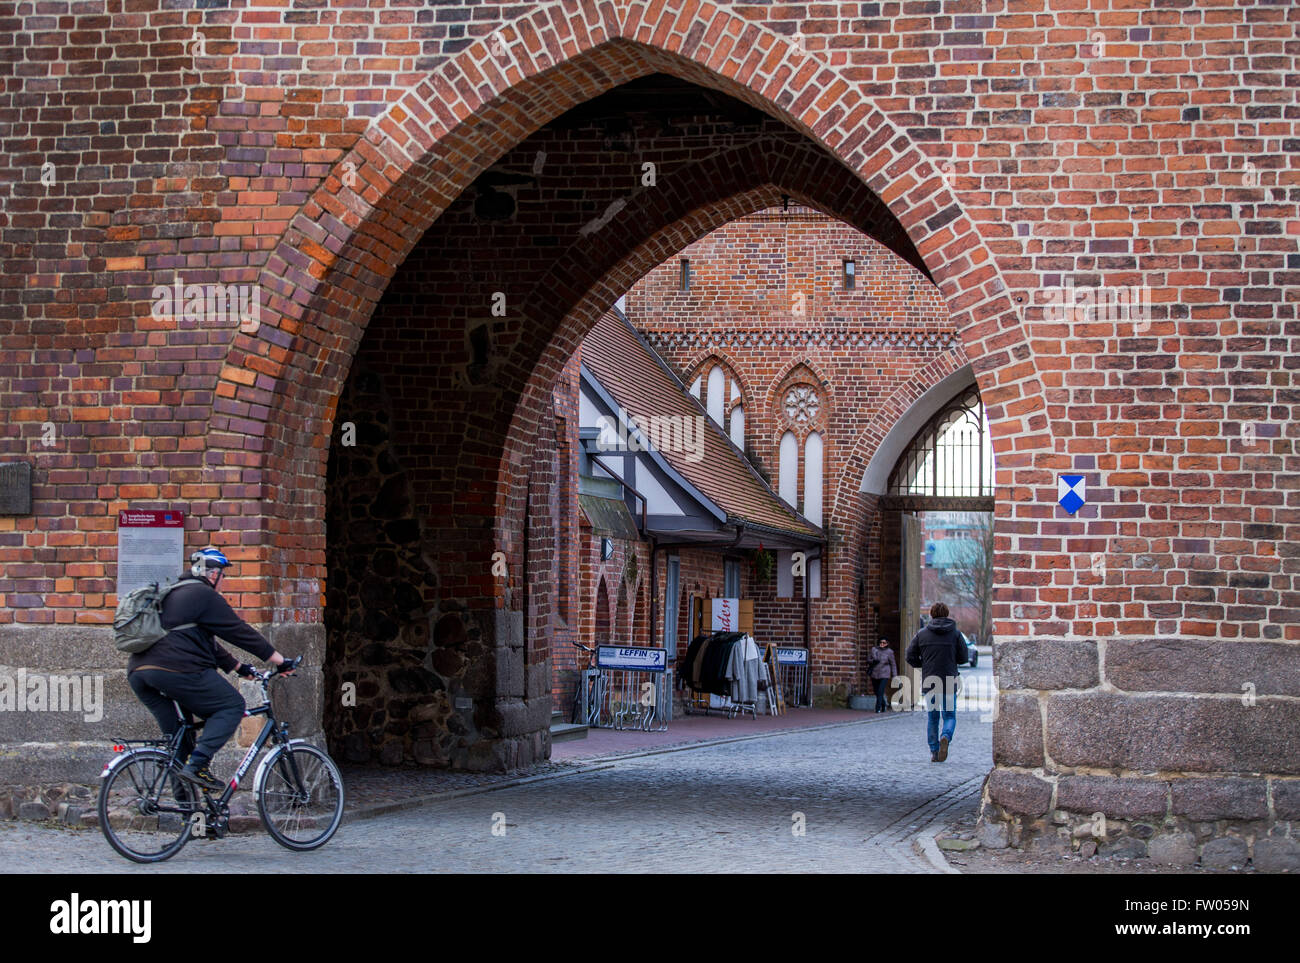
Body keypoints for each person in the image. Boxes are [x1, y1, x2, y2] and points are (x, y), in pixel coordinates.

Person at [126, 547, 291, 790]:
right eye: (223, 576)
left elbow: (202, 641)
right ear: (214, 574)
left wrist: (238, 667)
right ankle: (199, 765)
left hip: (140, 672)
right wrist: (279, 660)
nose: (223, 581)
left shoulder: (173, 592)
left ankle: (187, 810)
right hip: (176, 670)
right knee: (231, 705)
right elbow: (237, 631)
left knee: (180, 744)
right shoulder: (203, 594)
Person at [905, 601, 968, 762]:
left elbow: (909, 656)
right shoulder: (956, 634)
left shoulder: (922, 634)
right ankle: (945, 736)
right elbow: (963, 658)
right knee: (949, 716)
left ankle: (934, 751)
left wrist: (923, 664)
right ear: (947, 614)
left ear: (931, 614)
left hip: (930, 680)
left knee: (933, 718)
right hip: (949, 680)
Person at [867, 638, 897, 713]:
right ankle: (883, 704)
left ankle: (877, 708)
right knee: (876, 691)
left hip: (884, 673)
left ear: (887, 644)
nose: (882, 644)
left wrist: (894, 675)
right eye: (881, 642)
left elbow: (893, 664)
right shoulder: (874, 649)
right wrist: (873, 661)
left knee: (880, 691)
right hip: (874, 673)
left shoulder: (890, 652)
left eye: (884, 643)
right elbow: (868, 659)